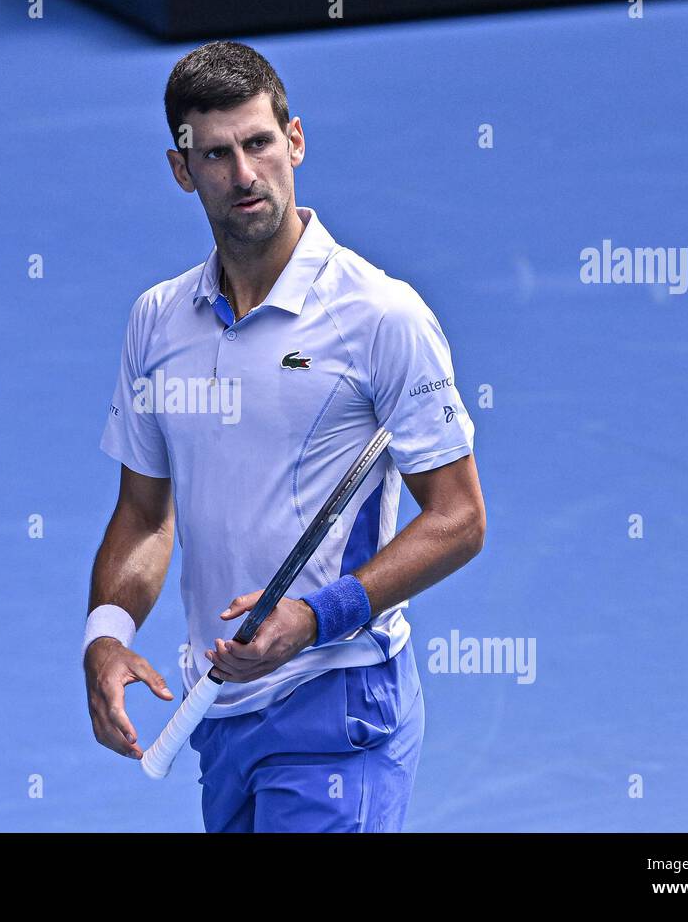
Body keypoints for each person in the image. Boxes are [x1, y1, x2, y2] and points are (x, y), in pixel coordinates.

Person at [83, 40, 486, 832]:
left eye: (259, 143)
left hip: (338, 704)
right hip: (223, 712)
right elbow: (144, 516)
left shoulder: (381, 317)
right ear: (180, 168)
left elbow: (459, 518)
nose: (243, 174)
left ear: (294, 140)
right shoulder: (157, 321)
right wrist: (107, 633)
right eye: (217, 154)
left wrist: (317, 615)